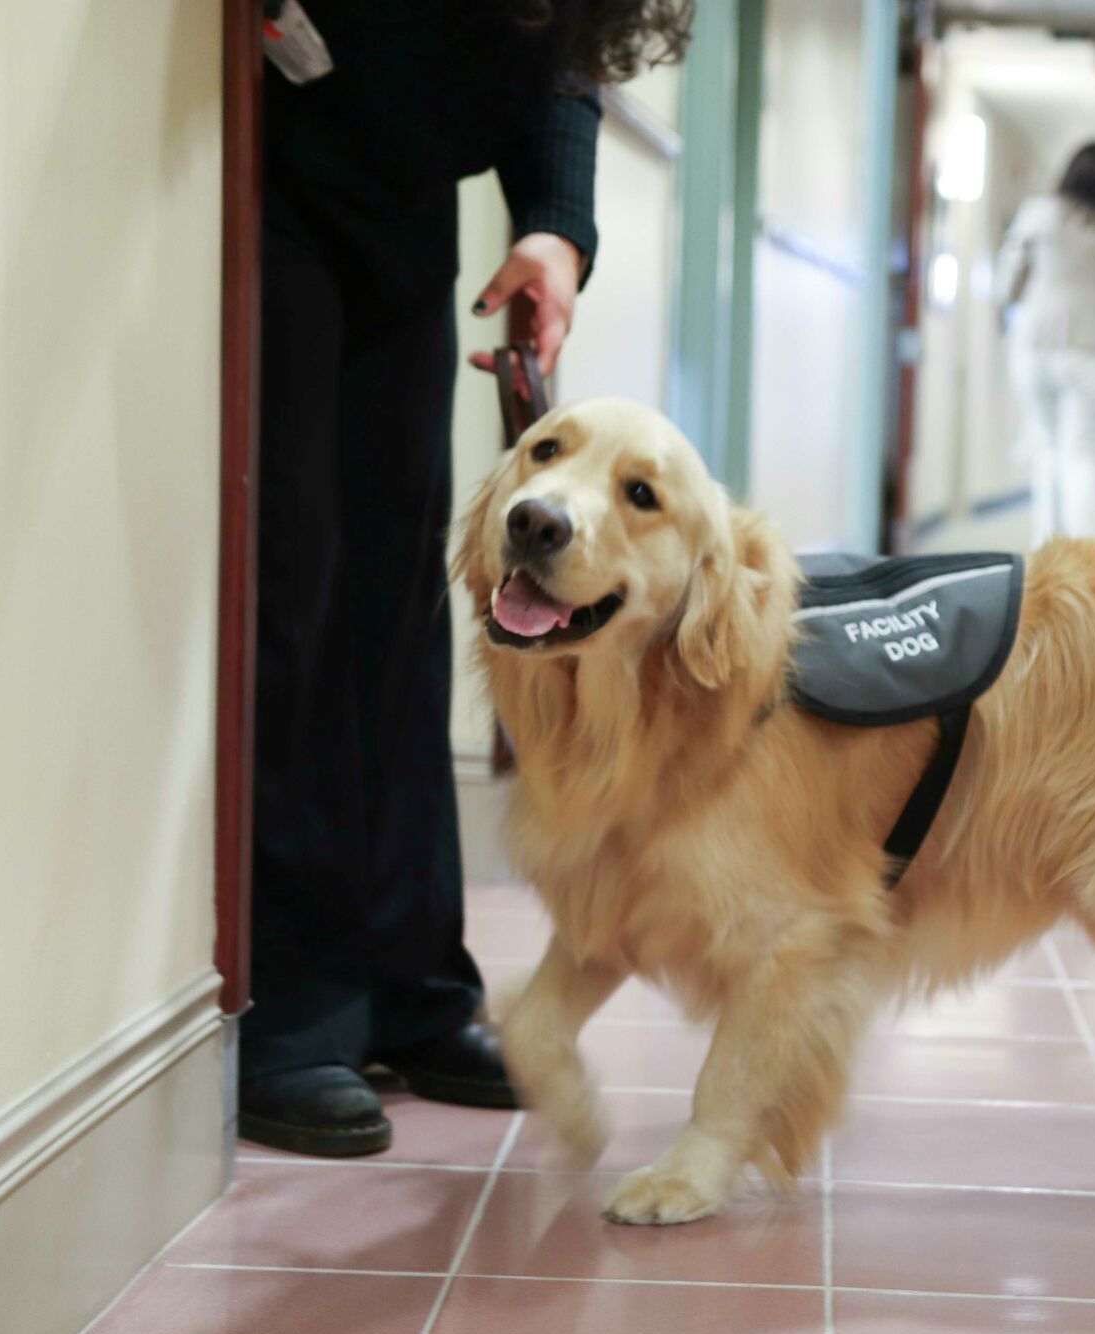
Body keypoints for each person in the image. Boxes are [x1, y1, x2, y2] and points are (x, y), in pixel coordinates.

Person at [240, 0, 692, 1157]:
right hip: (274, 180)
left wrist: (554, 230)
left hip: (404, 205)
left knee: (401, 598)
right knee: (295, 594)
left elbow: (563, 66)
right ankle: (297, 1009)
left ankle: (411, 985)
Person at [994, 140, 1095, 548]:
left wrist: (1009, 304)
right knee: (1082, 454)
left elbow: (1010, 278)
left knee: (1045, 447)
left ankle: (1045, 546)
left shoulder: (1039, 214)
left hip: (1037, 343)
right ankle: (1078, 550)